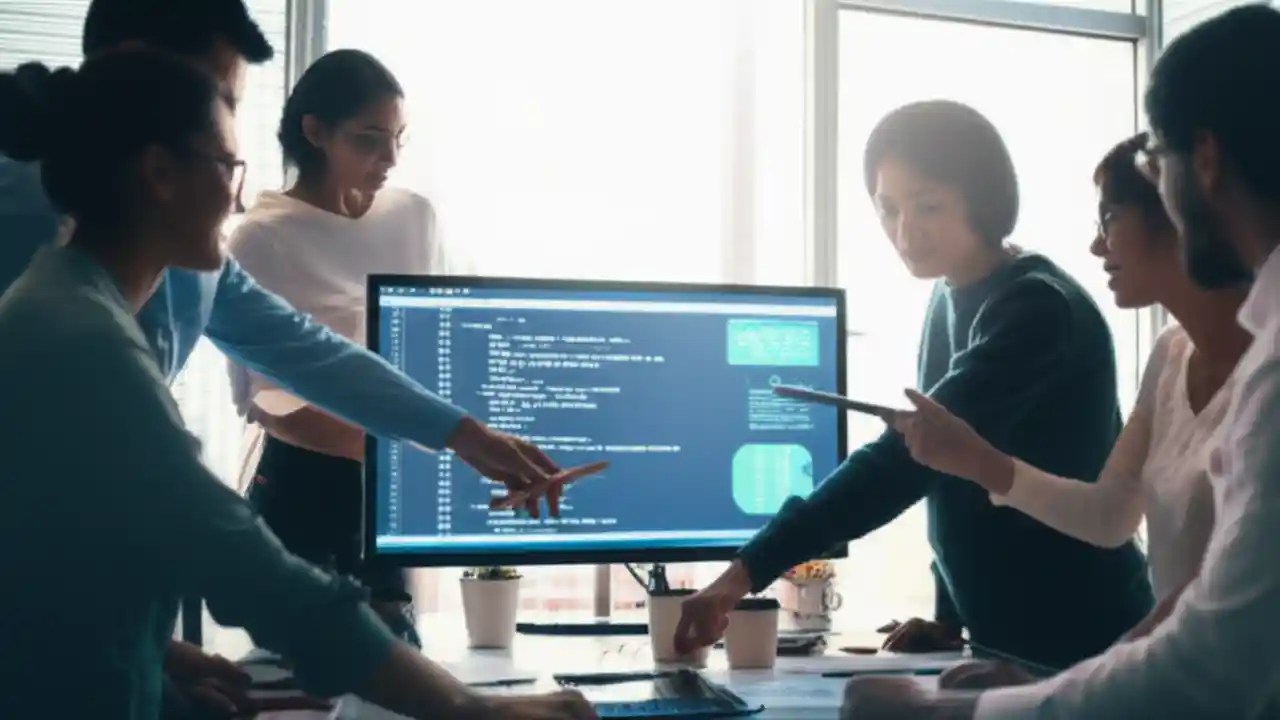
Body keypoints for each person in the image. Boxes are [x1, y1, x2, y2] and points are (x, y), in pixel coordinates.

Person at [0, 1, 585, 715]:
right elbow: (223, 546)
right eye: (219, 130)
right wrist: (473, 711)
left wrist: (464, 435)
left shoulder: (136, 268)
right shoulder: (74, 329)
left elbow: (309, 352)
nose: (239, 191)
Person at [841, 5, 1280, 718]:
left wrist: (966, 714)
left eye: (1153, 163)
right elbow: (1135, 540)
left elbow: (1219, 658)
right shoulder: (1177, 355)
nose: (1096, 244)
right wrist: (1051, 684)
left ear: (1203, 161)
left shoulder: (1267, 362)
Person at [675, 99, 1153, 670]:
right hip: (1006, 643)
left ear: (984, 200)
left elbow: (906, 461)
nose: (905, 232)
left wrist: (741, 575)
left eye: (928, 206)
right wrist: (951, 618)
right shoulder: (950, 291)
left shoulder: (1037, 308)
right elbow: (951, 470)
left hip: (1083, 641)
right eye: (888, 209)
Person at [892, 133, 1252, 691]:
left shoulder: (1265, 373)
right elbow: (1110, 517)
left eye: (1109, 217)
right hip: (1181, 679)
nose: (1095, 246)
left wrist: (1047, 691)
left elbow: (1212, 597)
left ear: (1179, 207)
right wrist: (978, 461)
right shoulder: (1170, 353)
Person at [225, 49, 467, 646]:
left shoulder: (415, 216)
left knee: (399, 656)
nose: (389, 159)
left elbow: (446, 339)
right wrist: (403, 443)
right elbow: (265, 402)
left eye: (397, 139)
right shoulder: (261, 235)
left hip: (393, 483)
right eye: (368, 140)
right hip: (307, 486)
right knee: (307, 677)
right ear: (315, 132)